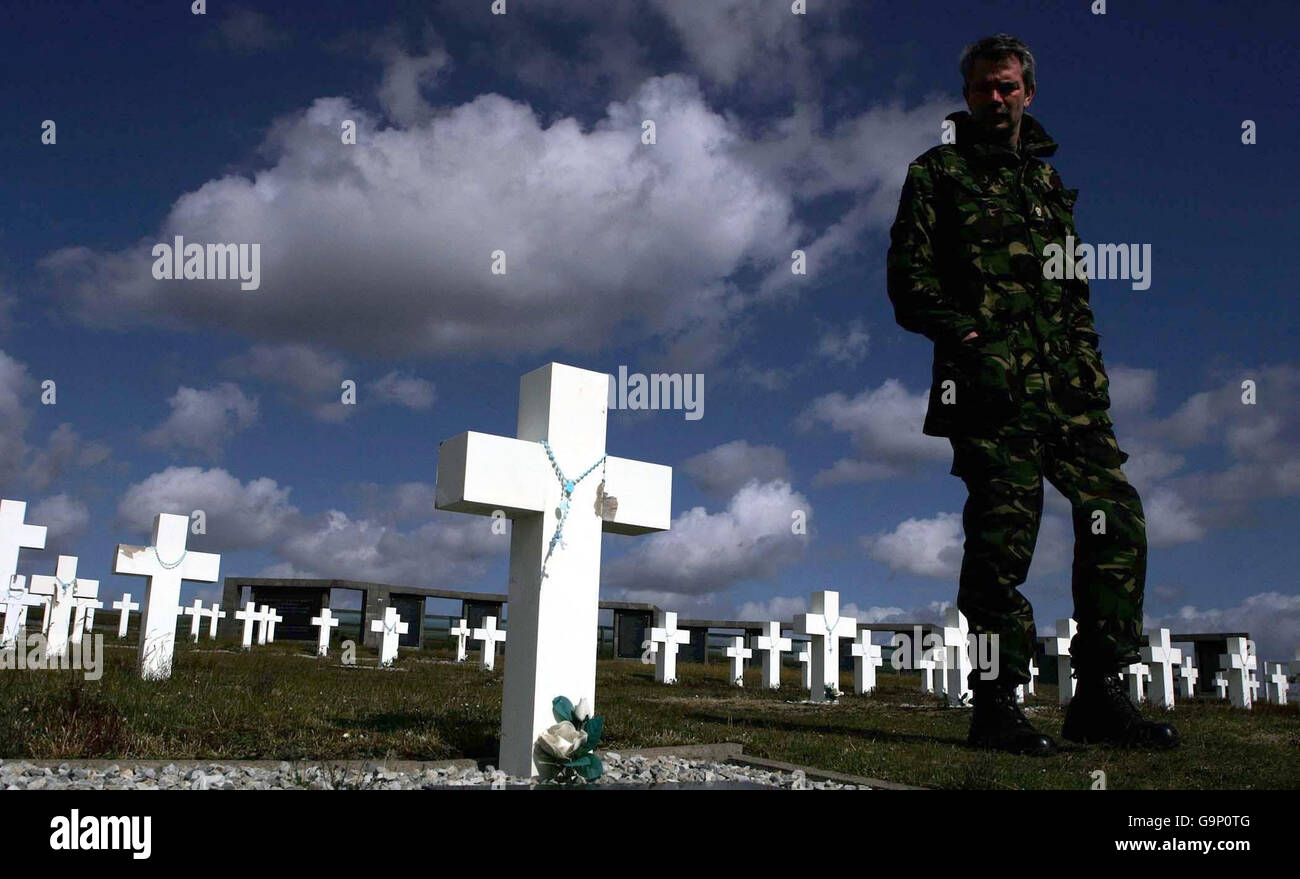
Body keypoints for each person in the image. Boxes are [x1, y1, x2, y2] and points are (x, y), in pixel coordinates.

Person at [886, 34, 1178, 755]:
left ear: (1028, 93)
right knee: (1002, 537)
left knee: (1118, 514)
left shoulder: (1048, 187)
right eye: (984, 87)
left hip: (1069, 393)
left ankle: (1101, 697)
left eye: (1008, 87)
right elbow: (910, 284)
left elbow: (1073, 290)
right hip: (990, 389)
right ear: (969, 94)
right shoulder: (937, 173)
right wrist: (973, 341)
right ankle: (996, 704)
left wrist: (1088, 367)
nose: (996, 98)